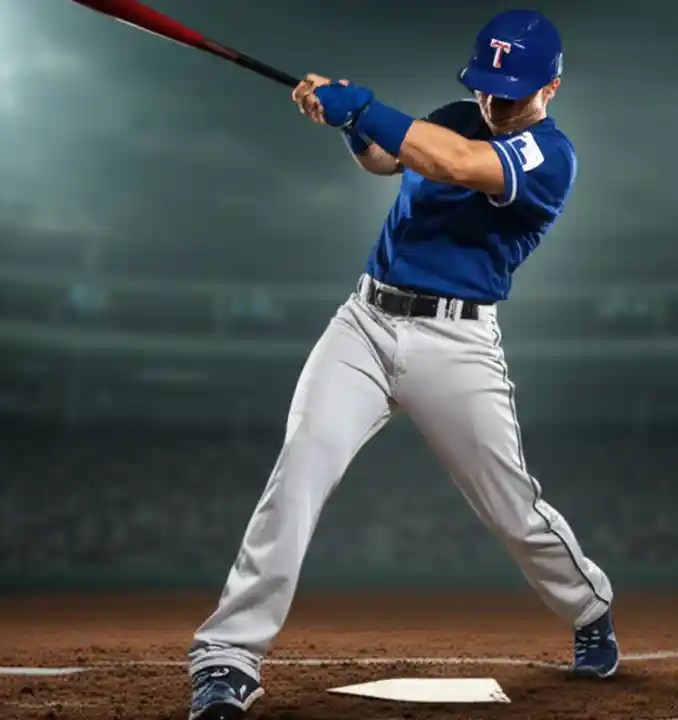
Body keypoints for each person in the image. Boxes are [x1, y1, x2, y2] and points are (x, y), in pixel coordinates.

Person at [188, 10, 618, 719]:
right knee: (299, 468)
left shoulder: (551, 157)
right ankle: (227, 658)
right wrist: (353, 124)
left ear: (553, 88)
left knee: (511, 505)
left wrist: (370, 108)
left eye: (512, 92)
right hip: (365, 321)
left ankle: (589, 606)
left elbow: (454, 164)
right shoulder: (456, 114)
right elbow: (387, 160)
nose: (495, 103)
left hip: (458, 345)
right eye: (487, 87)